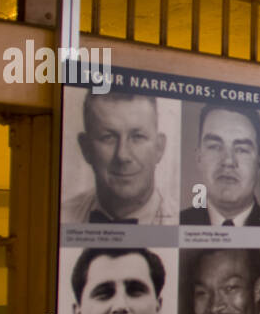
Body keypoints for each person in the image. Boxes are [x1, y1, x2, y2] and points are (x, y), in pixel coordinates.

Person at [62, 92, 177, 224]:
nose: (122, 156)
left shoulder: (181, 220)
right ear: (86, 148)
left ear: (159, 148)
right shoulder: (62, 217)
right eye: (108, 137)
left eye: (137, 137)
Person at [180, 105, 260, 227]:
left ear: (259, 163)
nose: (228, 161)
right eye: (214, 147)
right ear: (199, 158)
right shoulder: (177, 223)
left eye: (241, 150)